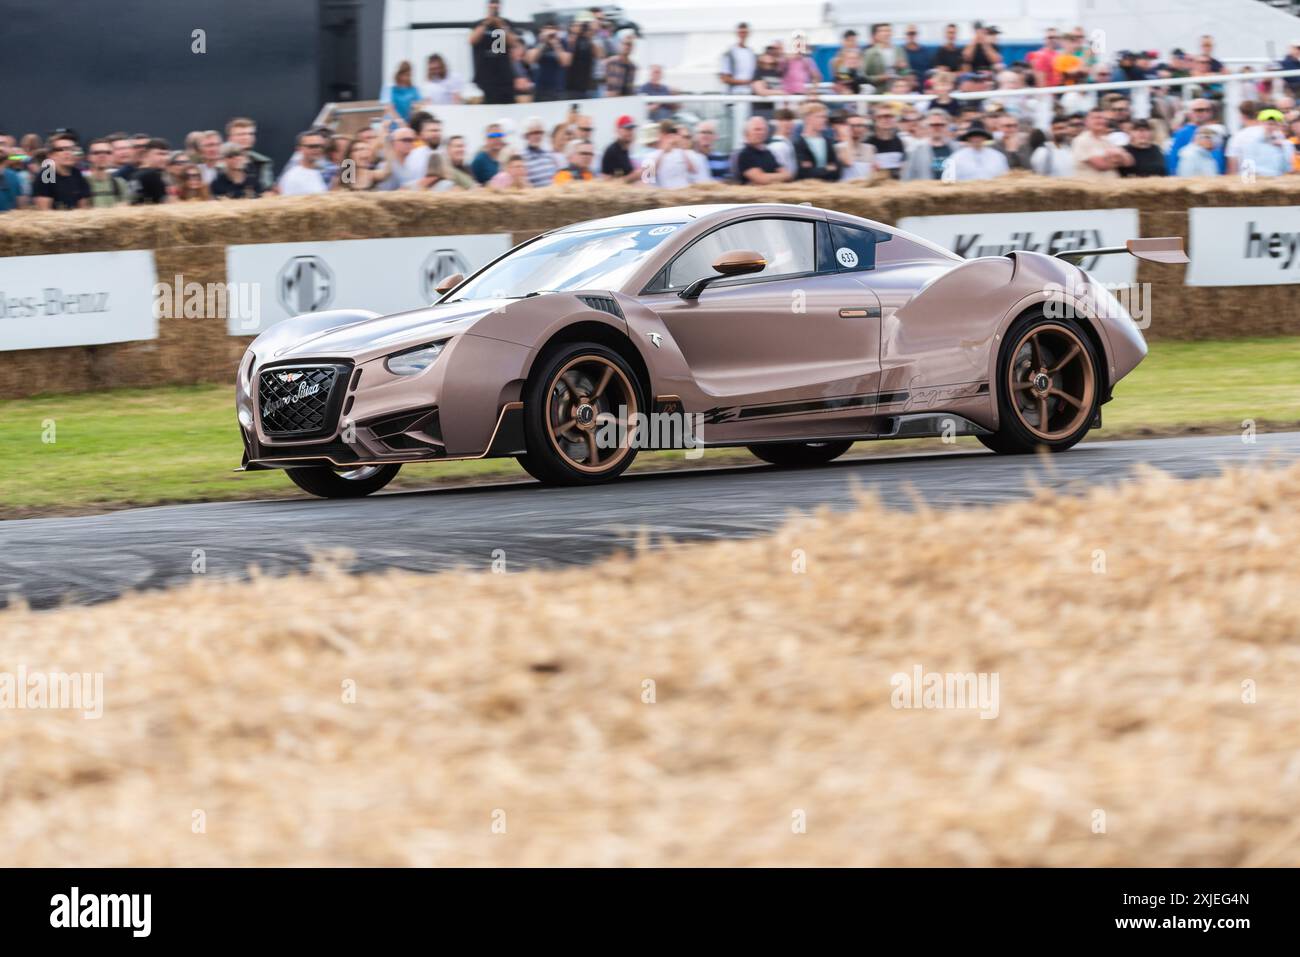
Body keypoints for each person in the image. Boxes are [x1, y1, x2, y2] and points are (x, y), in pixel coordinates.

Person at [469, 0, 517, 105]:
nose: (494, 5)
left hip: (505, 78)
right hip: (485, 79)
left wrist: (500, 25)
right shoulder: (479, 24)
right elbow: (472, 40)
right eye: (492, 2)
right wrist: (487, 23)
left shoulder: (506, 23)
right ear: (488, 6)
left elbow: (513, 42)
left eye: (497, 3)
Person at [1071, 108, 1133, 179]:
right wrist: (1118, 159)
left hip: (1111, 187)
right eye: (1096, 118)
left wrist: (1112, 157)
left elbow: (1129, 161)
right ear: (1086, 122)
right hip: (1091, 187)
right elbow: (1101, 165)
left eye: (1103, 118)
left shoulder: (1108, 140)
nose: (1100, 121)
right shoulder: (1081, 140)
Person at [32, 133, 89, 210]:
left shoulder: (77, 174)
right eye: (61, 149)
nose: (68, 153)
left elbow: (83, 209)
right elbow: (44, 212)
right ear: (51, 155)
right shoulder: (47, 176)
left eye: (72, 149)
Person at [643, 121, 707, 188]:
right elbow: (647, 177)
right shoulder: (651, 156)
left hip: (683, 193)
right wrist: (663, 152)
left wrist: (680, 147)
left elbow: (693, 170)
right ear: (661, 135)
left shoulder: (683, 153)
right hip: (666, 194)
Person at [1165, 99, 1218, 174]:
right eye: (1199, 110)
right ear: (1190, 113)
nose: (1204, 113)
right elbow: (1173, 160)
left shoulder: (1217, 131)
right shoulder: (1182, 133)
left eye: (1208, 110)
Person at [735, 116, 792, 185]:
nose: (761, 132)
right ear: (747, 133)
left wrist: (766, 177)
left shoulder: (768, 153)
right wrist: (779, 177)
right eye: (757, 129)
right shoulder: (745, 155)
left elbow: (788, 175)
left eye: (763, 129)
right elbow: (762, 179)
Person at [1238, 109, 1295, 177]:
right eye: (1268, 124)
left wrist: (1285, 147)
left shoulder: (1285, 144)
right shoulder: (1250, 142)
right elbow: (1247, 170)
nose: (1271, 127)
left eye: (1275, 124)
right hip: (1258, 183)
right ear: (1261, 123)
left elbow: (1288, 169)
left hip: (1278, 183)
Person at [794, 102, 843, 181]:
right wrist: (827, 168)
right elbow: (805, 173)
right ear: (808, 118)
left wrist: (817, 169)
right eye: (820, 117)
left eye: (825, 117)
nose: (825, 120)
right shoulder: (798, 144)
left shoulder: (829, 142)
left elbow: (837, 171)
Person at [902, 111, 955, 181]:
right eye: (933, 125)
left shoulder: (956, 147)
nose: (937, 128)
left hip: (952, 189)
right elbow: (908, 175)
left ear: (947, 126)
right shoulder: (915, 148)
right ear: (927, 126)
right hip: (926, 190)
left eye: (941, 124)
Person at [225, 118, 275, 193]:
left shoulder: (263, 163)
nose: (246, 137)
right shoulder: (219, 163)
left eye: (250, 134)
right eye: (241, 134)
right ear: (230, 138)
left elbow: (267, 189)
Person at [528, 23, 570, 101]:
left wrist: (555, 43)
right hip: (540, 88)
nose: (549, 31)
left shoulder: (562, 42)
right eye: (547, 29)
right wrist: (543, 43)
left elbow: (565, 62)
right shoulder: (538, 42)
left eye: (552, 29)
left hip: (558, 88)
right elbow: (531, 60)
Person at [83, 138, 130, 208]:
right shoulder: (82, 183)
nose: (102, 156)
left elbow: (126, 207)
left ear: (112, 156)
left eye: (107, 153)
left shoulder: (120, 183)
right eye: (96, 153)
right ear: (89, 157)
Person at [279, 130, 329, 195]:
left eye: (321, 146)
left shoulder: (320, 171)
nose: (318, 149)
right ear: (299, 149)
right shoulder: (293, 176)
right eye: (312, 146)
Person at [862, 23, 907, 87]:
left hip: (897, 91)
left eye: (888, 30)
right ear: (876, 35)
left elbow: (906, 72)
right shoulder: (870, 53)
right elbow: (864, 77)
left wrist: (903, 68)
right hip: (879, 92)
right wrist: (880, 78)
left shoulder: (899, 50)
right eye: (882, 31)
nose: (886, 33)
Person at [867, 106, 906, 178]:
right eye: (881, 117)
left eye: (890, 117)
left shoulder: (900, 142)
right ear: (874, 119)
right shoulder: (868, 142)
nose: (886, 120)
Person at [520, 117, 560, 186]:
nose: (537, 136)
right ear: (526, 136)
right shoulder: (521, 157)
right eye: (534, 133)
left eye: (540, 133)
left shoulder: (549, 155)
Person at [130, 139, 172, 204]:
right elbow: (164, 204)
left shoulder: (134, 175)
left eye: (167, 154)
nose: (165, 158)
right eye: (160, 154)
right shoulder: (152, 175)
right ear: (146, 155)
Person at [719, 22, 757, 94]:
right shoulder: (729, 53)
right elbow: (724, 78)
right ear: (737, 33)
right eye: (741, 32)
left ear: (749, 33)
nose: (743, 35)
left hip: (750, 94)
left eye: (745, 32)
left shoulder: (752, 53)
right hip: (734, 94)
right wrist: (747, 82)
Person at [564, 16, 596, 99]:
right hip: (571, 85)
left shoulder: (586, 41)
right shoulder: (567, 40)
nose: (579, 27)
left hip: (586, 84)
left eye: (580, 25)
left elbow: (598, 54)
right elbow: (567, 62)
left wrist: (590, 36)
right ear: (570, 27)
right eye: (576, 25)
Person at [600, 115, 639, 179]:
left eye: (632, 129)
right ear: (618, 130)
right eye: (627, 129)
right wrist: (635, 175)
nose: (630, 132)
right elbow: (608, 179)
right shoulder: (612, 151)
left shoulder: (624, 150)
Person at [767, 108, 798, 176]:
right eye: (783, 121)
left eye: (790, 120)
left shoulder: (789, 143)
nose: (787, 124)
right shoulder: (776, 146)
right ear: (777, 123)